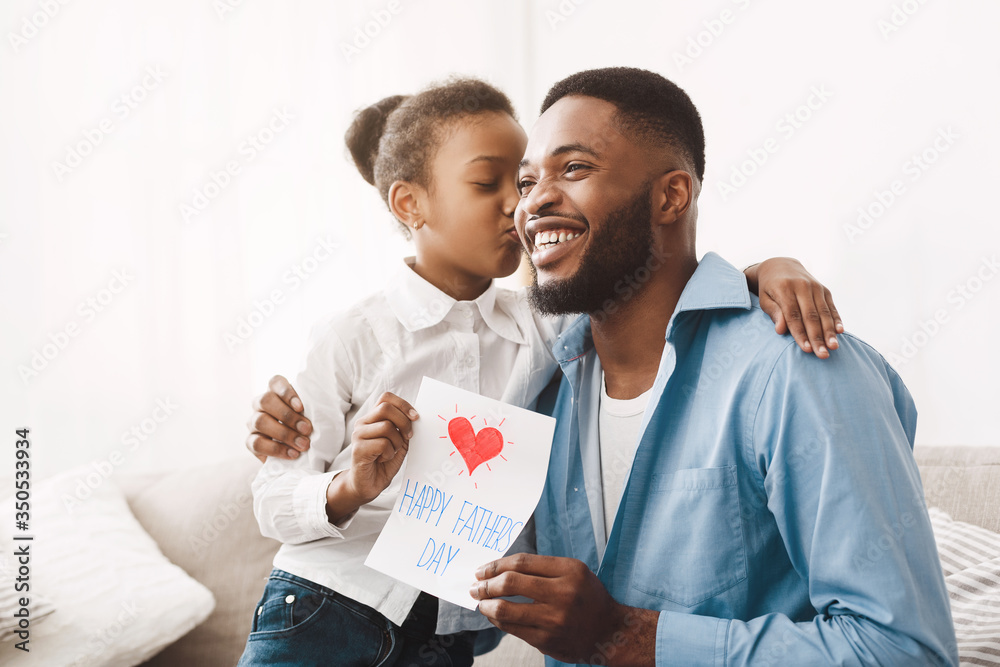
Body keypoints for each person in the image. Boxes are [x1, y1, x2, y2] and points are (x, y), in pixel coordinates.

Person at [240, 75, 845, 666]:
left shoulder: (542, 325)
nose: (519, 202)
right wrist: (349, 489)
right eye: (490, 183)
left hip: (445, 637)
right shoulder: (352, 335)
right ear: (410, 203)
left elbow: (650, 293)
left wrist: (766, 269)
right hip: (324, 610)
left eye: (522, 180)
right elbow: (272, 500)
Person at [462, 68, 958, 666]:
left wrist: (624, 635)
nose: (533, 200)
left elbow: (903, 652)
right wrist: (348, 483)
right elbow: (456, 607)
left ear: (671, 196)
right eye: (526, 179)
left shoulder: (797, 370)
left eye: (574, 169)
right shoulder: (538, 382)